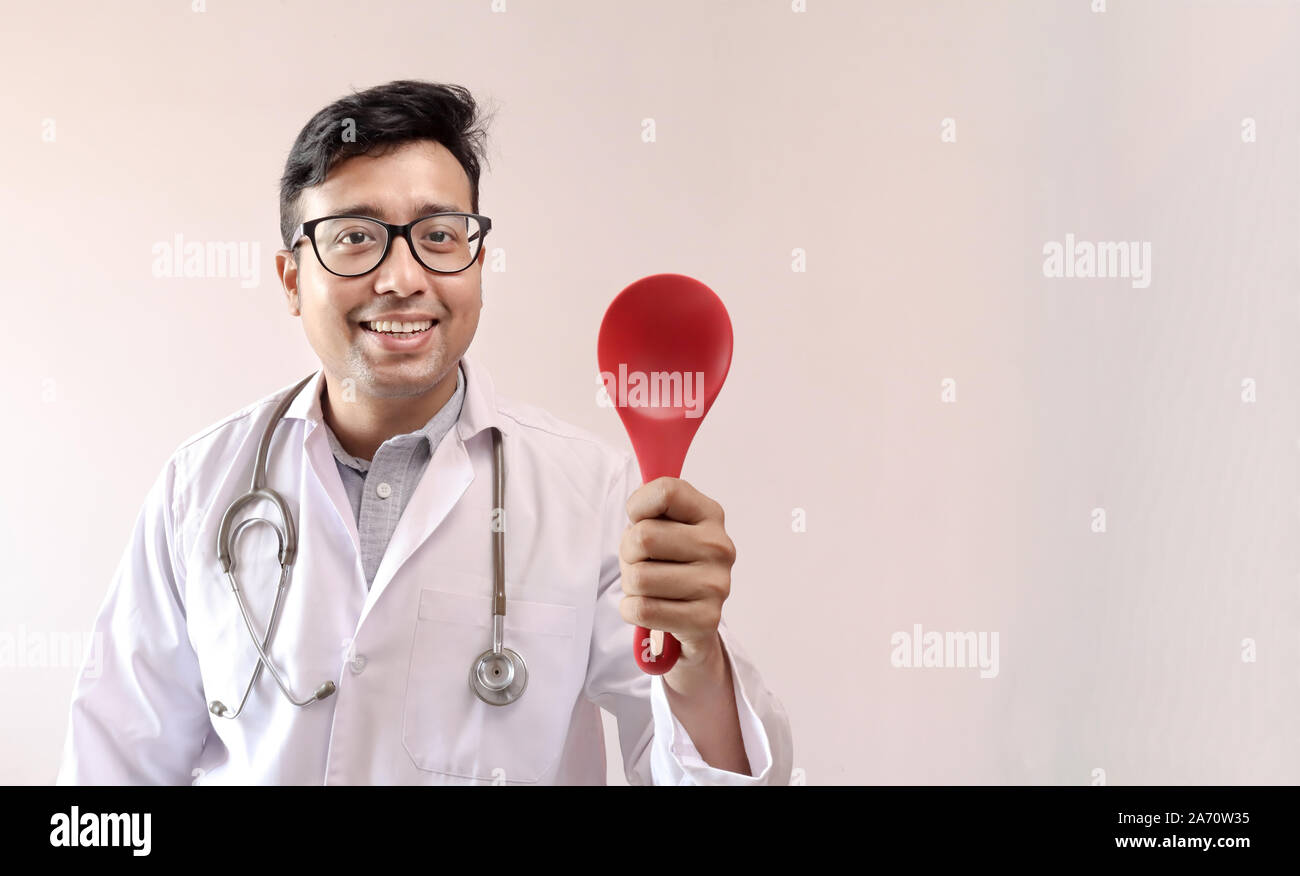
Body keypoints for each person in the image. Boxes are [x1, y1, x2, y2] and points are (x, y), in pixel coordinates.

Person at [55, 80, 792, 785]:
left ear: (476, 262)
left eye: (439, 235)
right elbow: (110, 778)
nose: (403, 277)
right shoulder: (200, 484)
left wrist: (695, 656)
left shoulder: (589, 490)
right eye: (355, 237)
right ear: (290, 280)